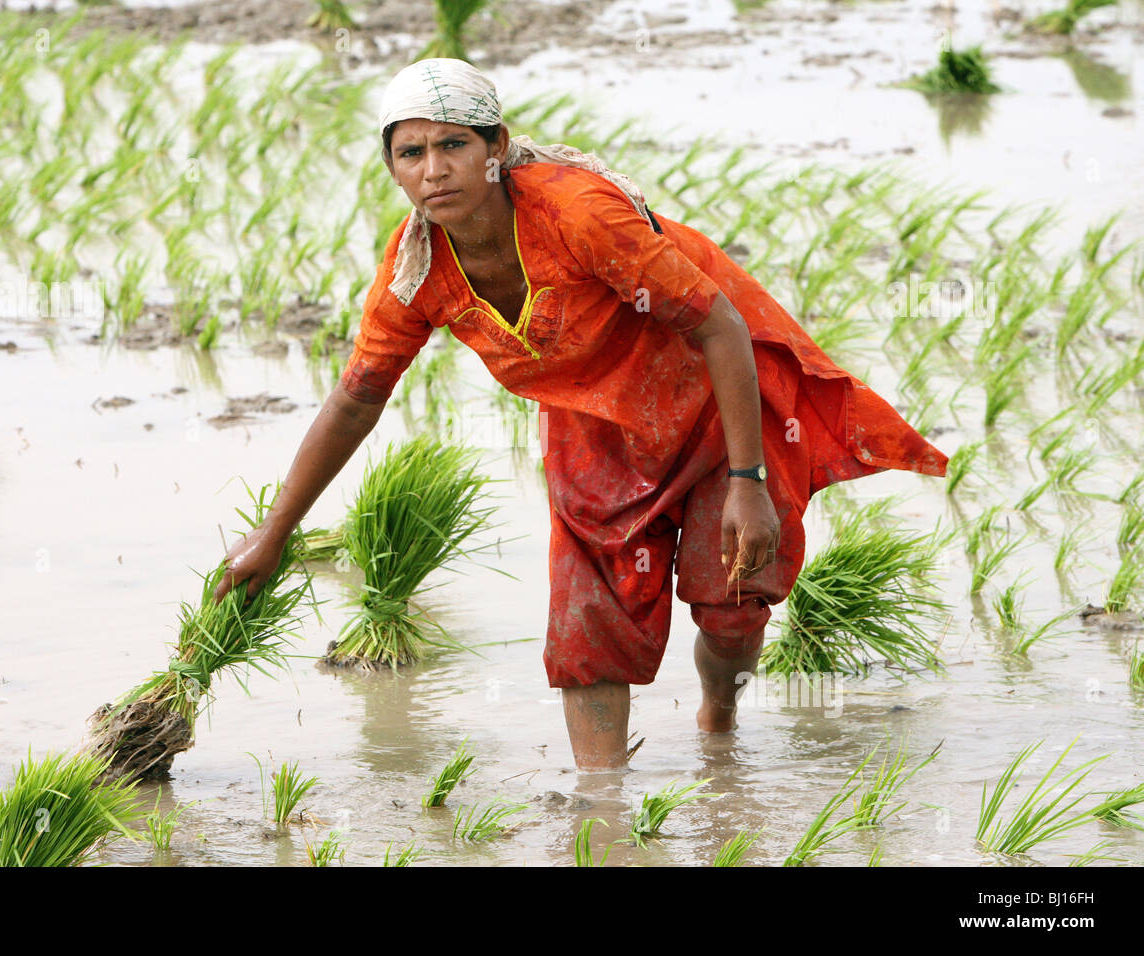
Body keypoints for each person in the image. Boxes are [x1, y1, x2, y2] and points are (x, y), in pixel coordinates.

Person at [213, 58, 948, 771]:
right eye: (411, 152)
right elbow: (357, 397)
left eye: (454, 145)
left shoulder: (578, 217)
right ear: (393, 169)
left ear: (497, 148)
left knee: (731, 606)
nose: (433, 169)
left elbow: (719, 324)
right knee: (587, 628)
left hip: (712, 409)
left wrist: (750, 481)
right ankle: (603, 804)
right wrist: (275, 533)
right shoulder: (416, 271)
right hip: (594, 429)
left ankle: (718, 723)